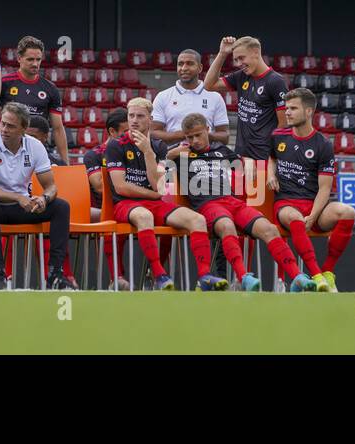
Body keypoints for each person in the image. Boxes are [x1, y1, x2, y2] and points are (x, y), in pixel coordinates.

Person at [167, 114, 313, 292]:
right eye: (190, 137)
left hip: (232, 202)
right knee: (227, 226)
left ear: (207, 130)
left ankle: (297, 276)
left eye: (198, 135)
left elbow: (243, 162)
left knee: (270, 229)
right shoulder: (180, 154)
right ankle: (243, 277)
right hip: (207, 205)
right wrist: (172, 153)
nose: (195, 140)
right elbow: (161, 160)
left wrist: (250, 163)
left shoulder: (221, 150)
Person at [107, 99, 224, 291]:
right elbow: (121, 187)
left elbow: (158, 185)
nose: (134, 121)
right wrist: (152, 195)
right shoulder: (116, 145)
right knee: (145, 216)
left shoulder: (158, 146)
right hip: (125, 205)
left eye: (140, 116)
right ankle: (159, 275)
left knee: (198, 219)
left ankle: (204, 276)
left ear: (150, 120)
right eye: (131, 116)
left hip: (154, 203)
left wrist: (148, 153)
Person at [0, 103, 75, 290]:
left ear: (23, 129)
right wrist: (18, 197)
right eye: (3, 123)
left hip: (21, 205)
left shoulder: (35, 146)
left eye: (11, 126)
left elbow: (51, 186)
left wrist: (44, 199)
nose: (4, 129)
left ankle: (55, 274)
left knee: (61, 207)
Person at [267, 88, 353, 293]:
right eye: (286, 108)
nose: (287, 112)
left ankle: (328, 273)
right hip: (286, 204)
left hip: (314, 207)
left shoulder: (323, 144)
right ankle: (315, 276)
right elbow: (271, 157)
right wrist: (271, 174)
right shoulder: (278, 137)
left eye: (293, 108)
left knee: (348, 212)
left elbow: (324, 189)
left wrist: (313, 216)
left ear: (308, 112)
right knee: (295, 218)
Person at [203, 35, 287, 159]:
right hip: (241, 154)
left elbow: (283, 124)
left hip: (263, 157)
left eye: (241, 58)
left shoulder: (275, 81)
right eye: (236, 60)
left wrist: (272, 158)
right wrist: (222, 54)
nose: (238, 64)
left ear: (256, 53)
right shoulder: (241, 76)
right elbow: (209, 85)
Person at [0, 36, 68, 161]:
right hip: (9, 150)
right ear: (19, 58)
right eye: (30, 59)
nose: (35, 63)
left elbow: (58, 128)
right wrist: (2, 131)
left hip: (38, 151)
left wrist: (66, 162)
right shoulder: (4, 83)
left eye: (38, 59)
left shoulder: (50, 88)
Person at [152, 49, 230, 144]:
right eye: (180, 64)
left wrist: (202, 135)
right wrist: (184, 134)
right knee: (182, 158)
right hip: (175, 154)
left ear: (200, 68)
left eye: (190, 64)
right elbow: (153, 133)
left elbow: (225, 136)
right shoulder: (163, 96)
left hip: (206, 156)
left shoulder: (215, 97)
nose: (184, 68)